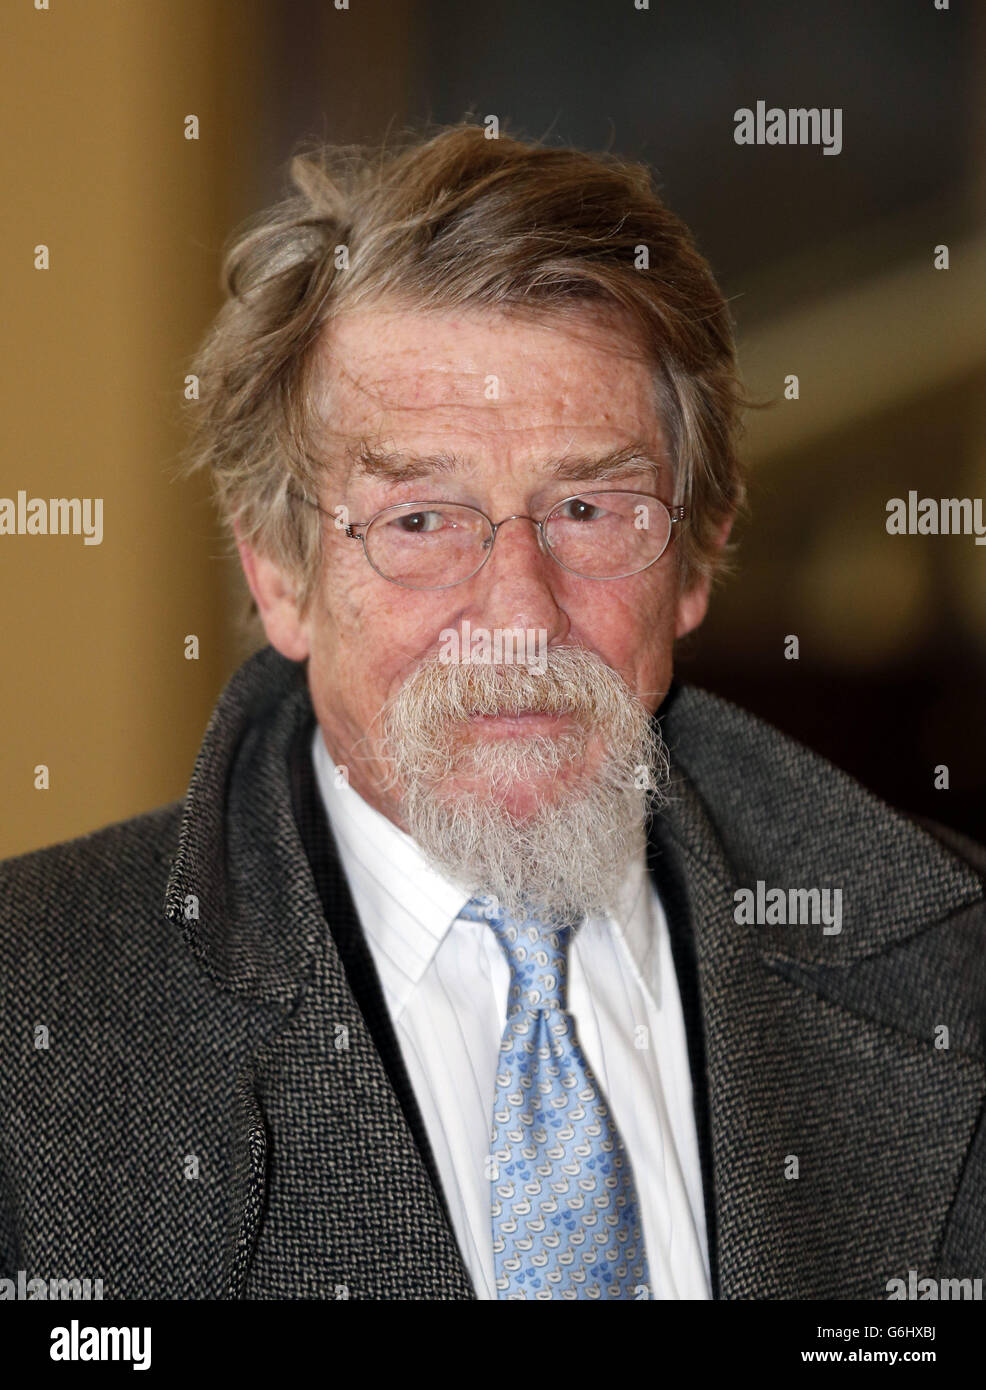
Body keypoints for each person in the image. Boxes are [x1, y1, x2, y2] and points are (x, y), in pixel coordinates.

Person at [2, 123, 984, 1302]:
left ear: (697, 554)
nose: (517, 613)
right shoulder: (32, 1017)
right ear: (276, 571)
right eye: (419, 520)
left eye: (586, 506)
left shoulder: (956, 970)